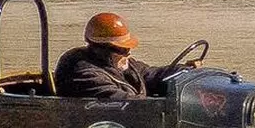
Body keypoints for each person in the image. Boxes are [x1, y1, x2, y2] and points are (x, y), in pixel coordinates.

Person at [55, 12, 193, 99]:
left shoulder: (122, 64)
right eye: (123, 50)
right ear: (103, 50)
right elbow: (122, 100)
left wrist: (186, 71)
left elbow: (151, 74)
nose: (128, 53)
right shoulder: (83, 73)